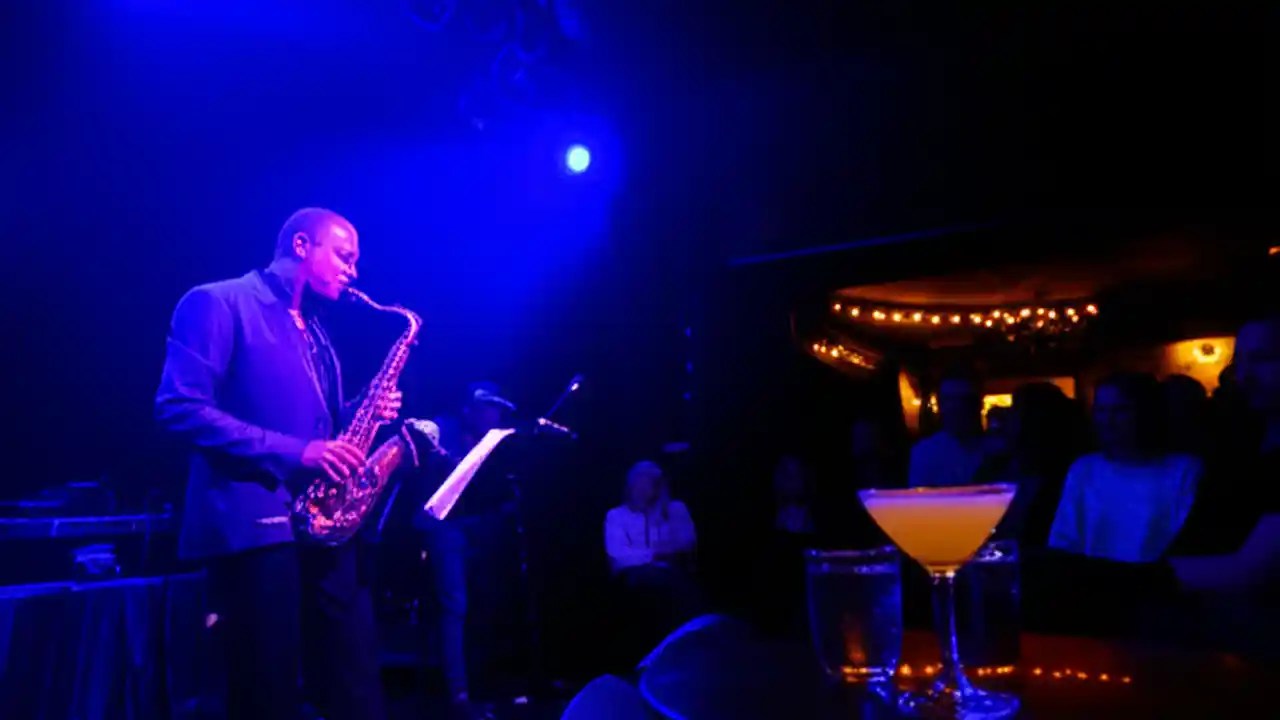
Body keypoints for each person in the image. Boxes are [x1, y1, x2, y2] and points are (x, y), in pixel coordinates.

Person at [155, 207, 401, 720]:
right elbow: (179, 407)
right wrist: (298, 452)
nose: (353, 271)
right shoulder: (217, 302)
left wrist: (364, 410)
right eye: (344, 256)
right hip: (256, 532)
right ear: (301, 246)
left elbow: (322, 427)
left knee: (354, 681)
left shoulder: (314, 330)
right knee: (265, 693)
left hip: (321, 530)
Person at [417, 382, 519, 720]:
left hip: (479, 525)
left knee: (486, 600)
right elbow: (432, 473)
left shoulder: (496, 442)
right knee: (455, 605)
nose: (495, 414)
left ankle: (485, 685)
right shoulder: (443, 428)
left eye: (498, 409)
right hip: (443, 525)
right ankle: (458, 695)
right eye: (488, 408)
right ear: (470, 409)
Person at [1048, 373, 1201, 562]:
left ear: (1146, 412)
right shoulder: (1084, 469)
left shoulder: (1184, 470)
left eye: (1120, 410)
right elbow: (1064, 542)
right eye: (1102, 410)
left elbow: (1188, 544)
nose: (1108, 420)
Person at [908, 367, 986, 487]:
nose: (957, 407)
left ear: (979, 404)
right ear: (940, 404)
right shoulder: (925, 452)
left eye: (965, 400)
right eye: (949, 400)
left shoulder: (999, 452)